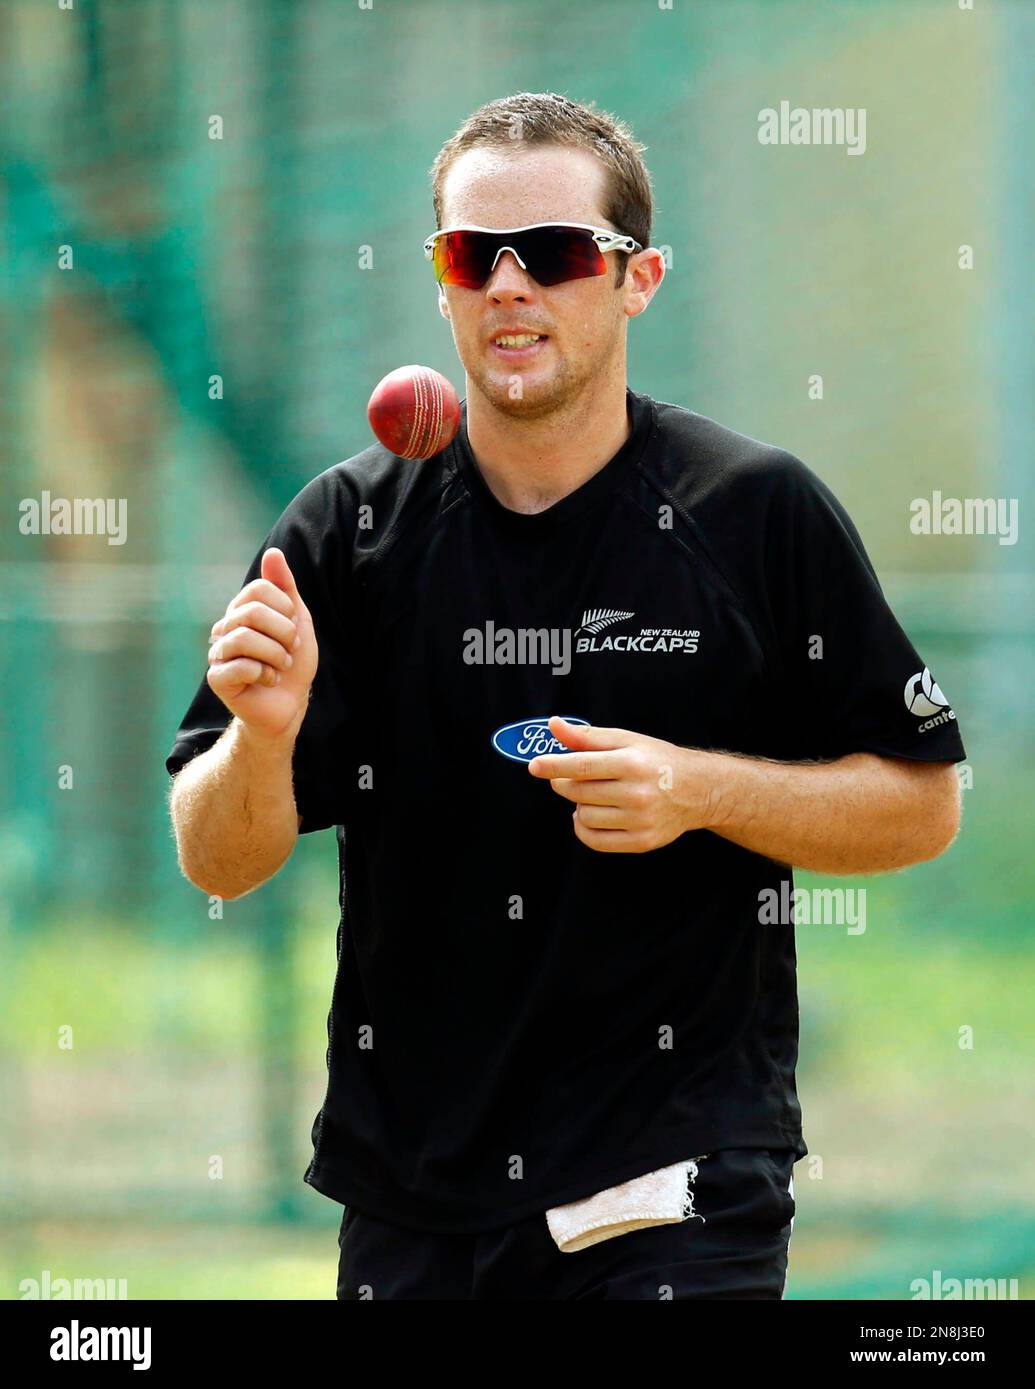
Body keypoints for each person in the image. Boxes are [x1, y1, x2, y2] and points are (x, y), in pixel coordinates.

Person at [166, 92, 967, 1300]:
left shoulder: (752, 511)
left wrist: (697, 789)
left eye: (552, 254)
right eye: (469, 255)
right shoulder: (348, 531)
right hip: (414, 1193)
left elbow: (923, 802)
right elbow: (217, 857)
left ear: (637, 279)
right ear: (439, 280)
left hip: (670, 1179)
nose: (508, 286)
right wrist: (265, 741)